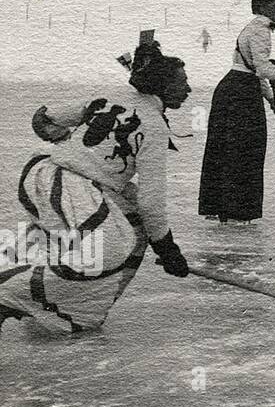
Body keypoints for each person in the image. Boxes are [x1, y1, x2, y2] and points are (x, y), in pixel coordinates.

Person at [1, 36, 191, 335]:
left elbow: (45, 120)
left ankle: (66, 308)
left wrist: (72, 144)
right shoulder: (154, 126)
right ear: (164, 87)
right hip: (74, 191)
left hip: (42, 176)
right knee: (108, 251)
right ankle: (10, 295)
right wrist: (168, 250)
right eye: (183, 82)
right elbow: (151, 202)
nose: (189, 89)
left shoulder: (107, 99)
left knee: (130, 230)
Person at [198, 0, 275, 223]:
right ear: (266, 6)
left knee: (225, 149)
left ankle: (219, 206)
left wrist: (270, 97)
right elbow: (262, 68)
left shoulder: (252, 27)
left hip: (233, 88)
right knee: (245, 150)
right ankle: (238, 210)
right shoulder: (261, 29)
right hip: (242, 94)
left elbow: (251, 68)